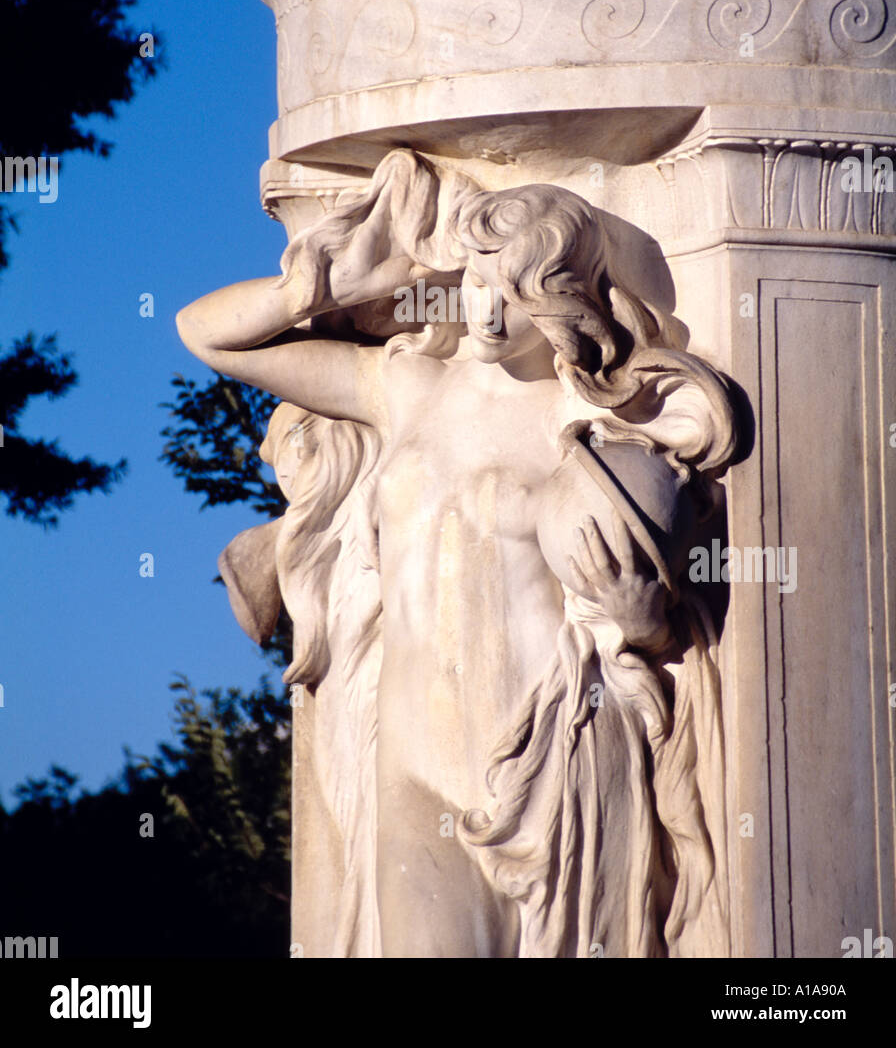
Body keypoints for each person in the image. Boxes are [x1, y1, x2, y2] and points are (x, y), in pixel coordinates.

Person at [178, 149, 739, 957]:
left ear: (562, 301)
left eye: (509, 293)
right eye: (474, 280)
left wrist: (643, 619)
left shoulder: (587, 427)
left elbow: (645, 616)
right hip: (415, 762)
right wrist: (306, 289)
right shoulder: (405, 391)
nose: (482, 310)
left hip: (554, 759)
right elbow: (205, 335)